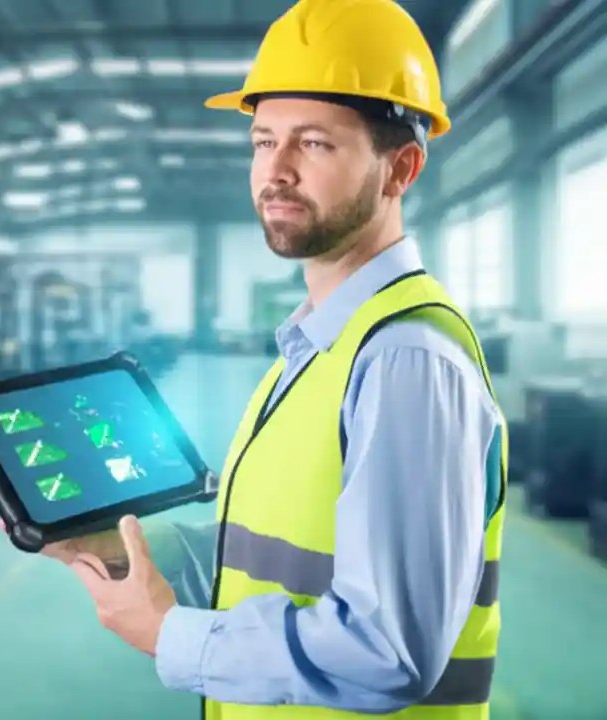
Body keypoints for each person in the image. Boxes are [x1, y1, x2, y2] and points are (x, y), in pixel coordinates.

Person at [39, 1, 509, 718]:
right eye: (263, 142)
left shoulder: (406, 361)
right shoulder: (314, 347)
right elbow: (268, 562)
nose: (277, 171)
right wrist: (118, 546)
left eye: (315, 145)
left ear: (401, 169)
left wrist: (172, 636)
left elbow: (388, 651)